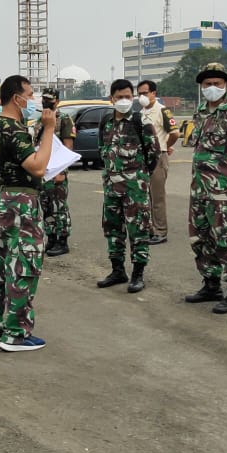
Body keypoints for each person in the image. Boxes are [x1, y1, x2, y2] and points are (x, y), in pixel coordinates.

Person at [0, 75, 56, 352]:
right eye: (30, 95)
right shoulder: (14, 128)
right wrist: (48, 130)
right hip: (20, 201)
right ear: (17, 98)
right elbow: (37, 167)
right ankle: (16, 334)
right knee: (23, 263)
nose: (33, 100)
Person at [183, 63, 227, 313]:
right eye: (207, 84)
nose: (212, 87)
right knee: (200, 236)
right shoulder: (201, 112)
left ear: (226, 85)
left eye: (217, 83)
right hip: (199, 188)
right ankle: (210, 284)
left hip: (223, 189)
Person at [96, 79, 160, 293]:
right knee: (112, 229)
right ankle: (117, 270)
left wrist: (139, 178)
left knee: (138, 230)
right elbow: (102, 150)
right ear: (111, 99)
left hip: (134, 189)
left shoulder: (140, 122)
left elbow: (153, 154)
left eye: (127, 97)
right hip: (111, 187)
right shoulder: (106, 122)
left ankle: (138, 274)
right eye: (119, 97)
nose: (124, 101)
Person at [136, 80, 180, 245]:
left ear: (154, 93)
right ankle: (149, 228)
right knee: (144, 197)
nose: (142, 96)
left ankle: (160, 231)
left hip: (158, 158)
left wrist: (165, 146)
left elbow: (175, 133)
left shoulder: (162, 111)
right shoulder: (140, 112)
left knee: (157, 196)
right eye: (139, 93)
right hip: (143, 158)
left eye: (145, 93)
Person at [39, 89, 76, 257]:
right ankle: (51, 237)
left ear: (57, 101)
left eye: (50, 100)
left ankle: (63, 239)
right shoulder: (41, 120)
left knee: (59, 206)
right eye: (44, 99)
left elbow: (68, 148)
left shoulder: (64, 120)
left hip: (57, 170)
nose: (46, 103)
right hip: (43, 170)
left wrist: (61, 171)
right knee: (46, 206)